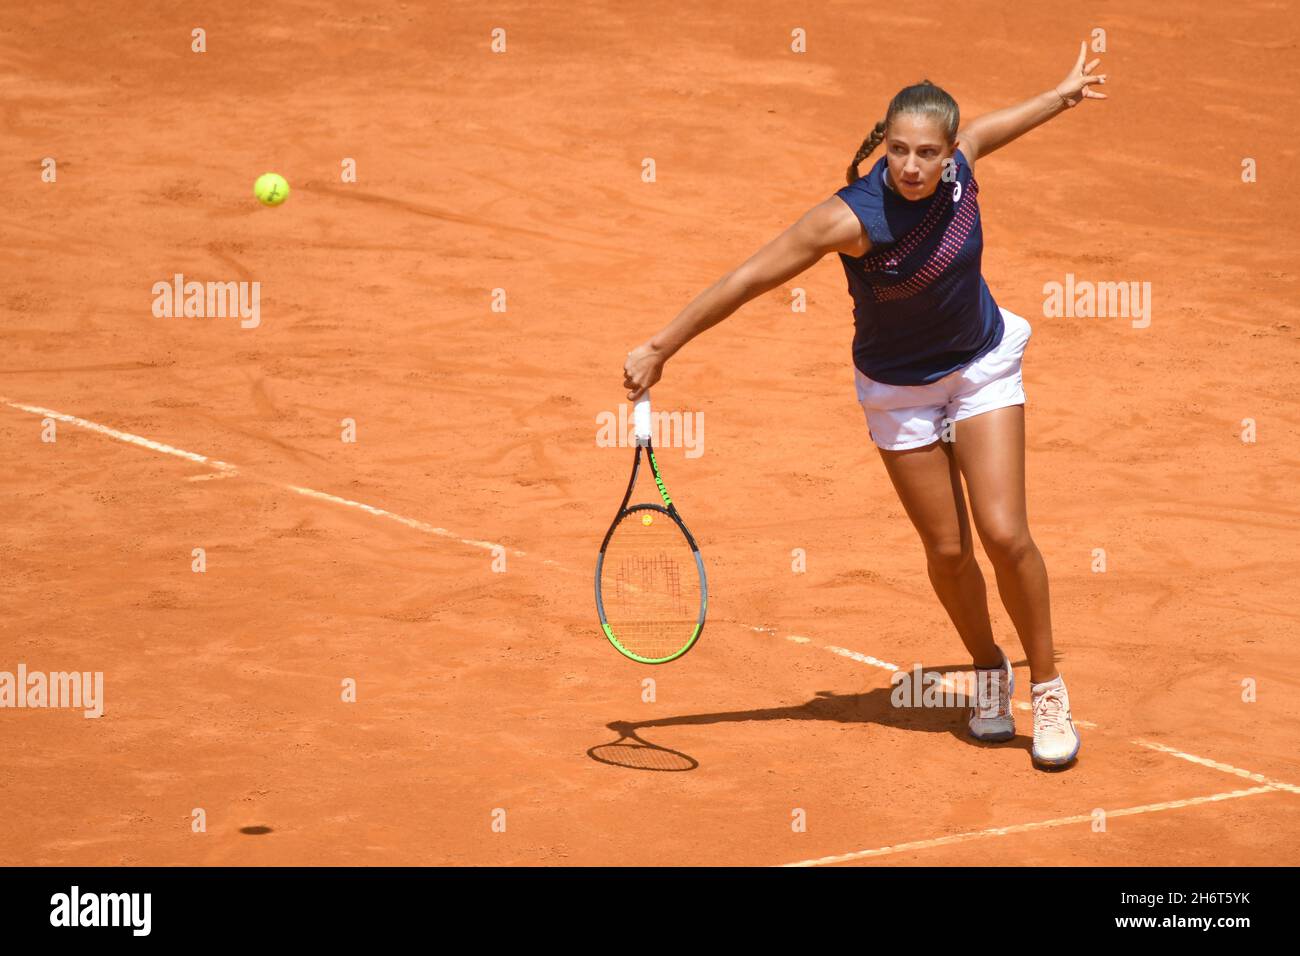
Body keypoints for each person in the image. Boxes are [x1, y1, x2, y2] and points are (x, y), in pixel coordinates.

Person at [621, 43, 1107, 769]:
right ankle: (987, 670)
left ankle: (1048, 687)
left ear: (948, 153)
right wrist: (662, 345)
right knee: (947, 550)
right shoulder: (849, 219)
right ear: (884, 144)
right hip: (898, 389)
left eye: (928, 153)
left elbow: (993, 129)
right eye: (900, 149)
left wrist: (1059, 94)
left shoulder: (962, 167)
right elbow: (747, 277)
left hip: (981, 366)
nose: (912, 166)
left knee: (1005, 533)